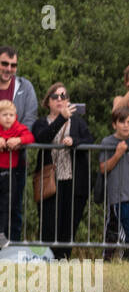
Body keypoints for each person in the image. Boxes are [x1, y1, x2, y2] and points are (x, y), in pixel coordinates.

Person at [31, 83, 94, 259]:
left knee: (69, 224)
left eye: (63, 96)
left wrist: (74, 141)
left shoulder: (78, 122)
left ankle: (63, 260)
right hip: (49, 180)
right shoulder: (41, 123)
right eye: (55, 97)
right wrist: (62, 119)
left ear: (68, 100)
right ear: (48, 102)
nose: (60, 99)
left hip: (73, 181)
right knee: (49, 224)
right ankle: (47, 259)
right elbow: (42, 137)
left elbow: (89, 139)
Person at [0, 46, 38, 242]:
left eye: (13, 65)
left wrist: (18, 139)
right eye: (5, 63)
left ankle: (12, 247)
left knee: (14, 207)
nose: (9, 68)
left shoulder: (25, 87)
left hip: (16, 162)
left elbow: (31, 118)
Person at [99, 105, 129, 261]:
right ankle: (125, 260)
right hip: (119, 197)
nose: (126, 125)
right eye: (122, 122)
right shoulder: (107, 142)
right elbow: (103, 168)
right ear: (114, 124)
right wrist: (118, 154)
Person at [0, 99, 34, 245]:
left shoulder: (18, 127)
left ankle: (2, 234)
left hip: (10, 172)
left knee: (7, 205)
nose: (8, 118)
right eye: (4, 115)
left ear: (16, 116)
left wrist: (18, 140)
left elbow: (30, 137)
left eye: (11, 115)